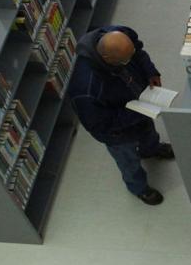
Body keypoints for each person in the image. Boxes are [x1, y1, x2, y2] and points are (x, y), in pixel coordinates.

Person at [68, 25, 174, 205]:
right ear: (107, 59)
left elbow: (139, 52)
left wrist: (150, 72)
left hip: (139, 103)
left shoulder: (119, 35)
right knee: (128, 161)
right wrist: (139, 111)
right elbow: (100, 125)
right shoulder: (85, 89)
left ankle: (152, 149)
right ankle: (139, 188)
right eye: (125, 60)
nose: (130, 60)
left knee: (148, 132)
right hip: (118, 133)